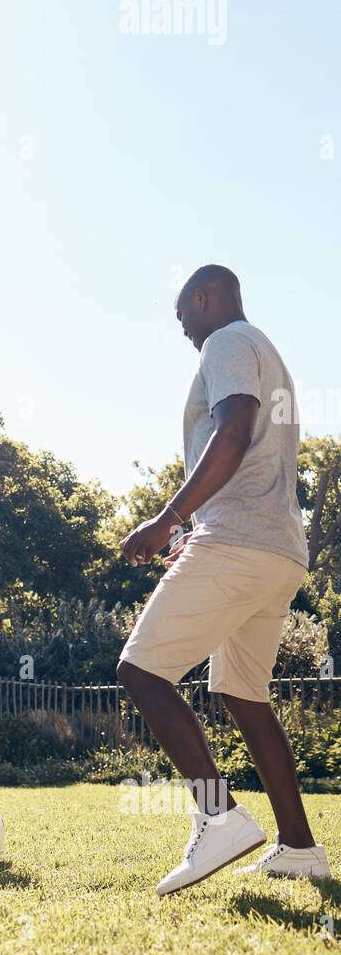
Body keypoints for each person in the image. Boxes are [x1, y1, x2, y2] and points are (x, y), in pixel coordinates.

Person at [117, 265, 332, 895]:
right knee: (244, 696)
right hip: (278, 550)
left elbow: (235, 431)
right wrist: (193, 526)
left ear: (204, 299)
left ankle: (218, 814)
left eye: (182, 314)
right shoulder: (267, 351)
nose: (182, 329)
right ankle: (299, 847)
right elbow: (254, 453)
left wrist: (167, 518)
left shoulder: (227, 342)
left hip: (238, 543)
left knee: (140, 670)